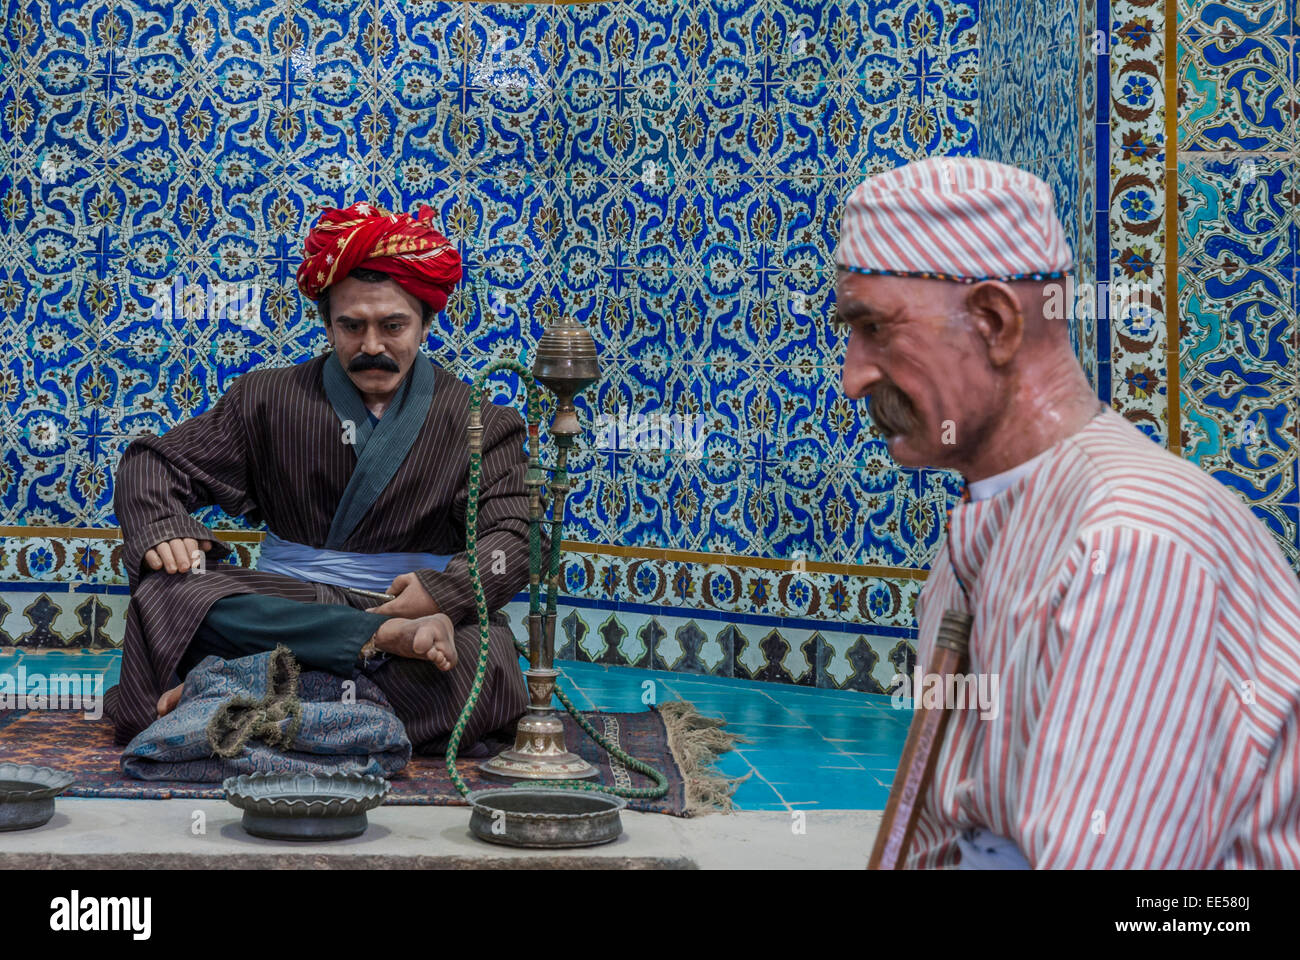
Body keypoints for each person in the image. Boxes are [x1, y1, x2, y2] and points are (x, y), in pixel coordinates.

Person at [835, 157, 1300, 868]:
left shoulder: (1132, 543)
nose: (853, 376)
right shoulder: (986, 527)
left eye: (875, 329)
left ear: (993, 322)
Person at [104, 201, 531, 754]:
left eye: (393, 325)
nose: (372, 346)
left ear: (426, 320)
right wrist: (162, 522)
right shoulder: (268, 398)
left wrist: (443, 593)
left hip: (416, 614)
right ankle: (358, 668)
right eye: (351, 326)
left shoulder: (483, 423)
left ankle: (243, 691)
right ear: (326, 322)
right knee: (168, 593)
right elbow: (152, 462)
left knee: (485, 661)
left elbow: (516, 541)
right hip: (291, 602)